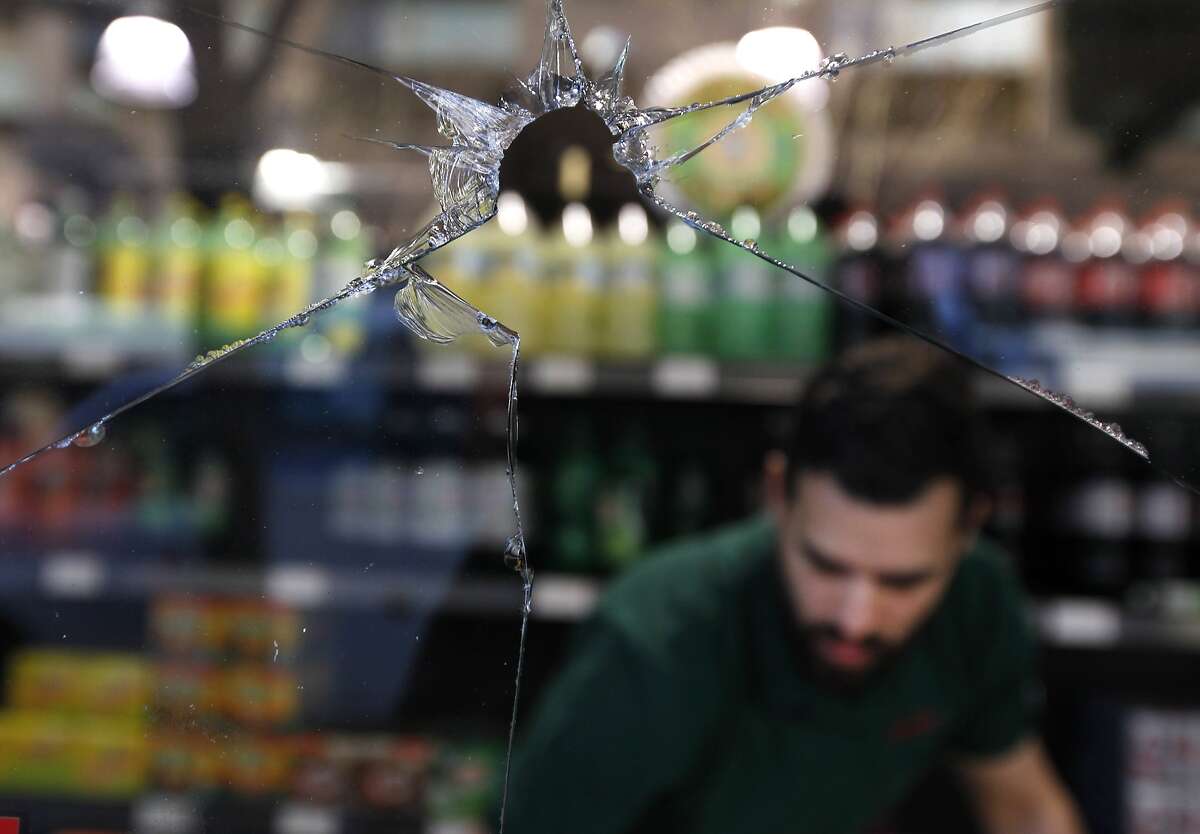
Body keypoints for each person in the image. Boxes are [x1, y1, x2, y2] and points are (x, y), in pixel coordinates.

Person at [504, 337, 1086, 834]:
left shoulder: (978, 602)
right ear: (778, 494)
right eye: (826, 567)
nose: (856, 619)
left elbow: (1026, 809)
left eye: (903, 582)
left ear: (969, 527)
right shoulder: (658, 640)